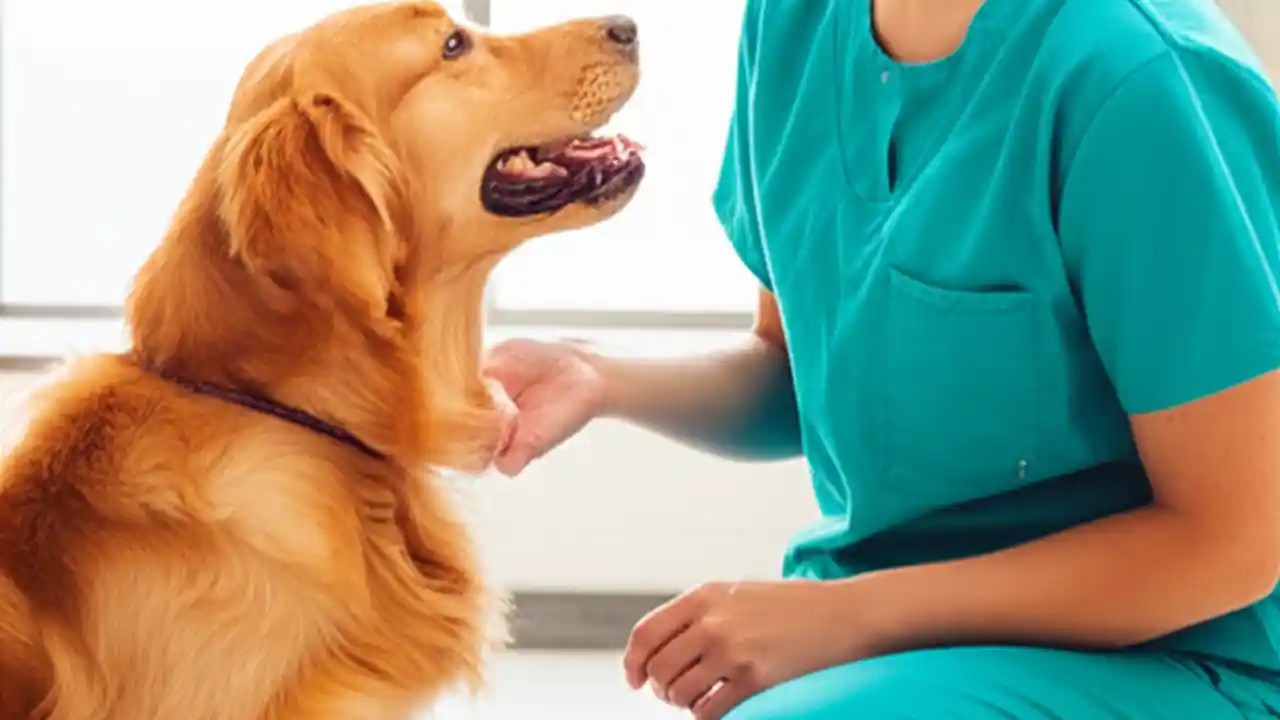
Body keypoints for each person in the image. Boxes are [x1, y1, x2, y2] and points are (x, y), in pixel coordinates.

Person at [483, 0, 1280, 717]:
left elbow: (1236, 544)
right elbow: (796, 374)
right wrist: (599, 374)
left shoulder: (1138, 75)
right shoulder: (789, 26)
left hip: (1184, 659)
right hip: (893, 632)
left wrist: (843, 617)